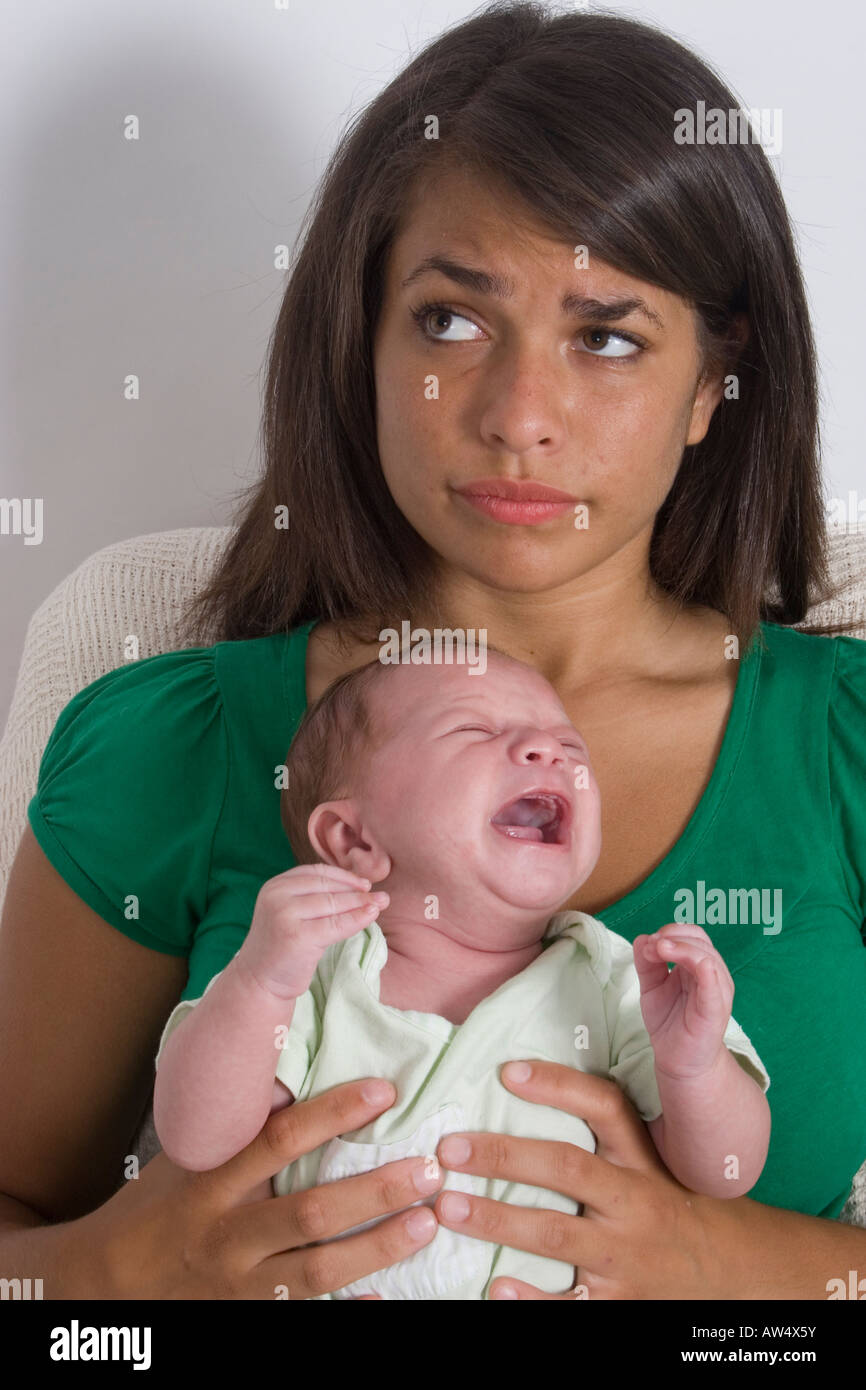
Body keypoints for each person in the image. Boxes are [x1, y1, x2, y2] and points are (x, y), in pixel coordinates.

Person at [1, 3, 864, 1301]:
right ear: (363, 339)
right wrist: (116, 1282)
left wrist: (739, 1267)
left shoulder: (838, 748)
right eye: (451, 323)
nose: (519, 416)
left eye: (607, 336)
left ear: (711, 379)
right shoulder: (171, 743)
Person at [152, 651, 771, 1298]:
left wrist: (692, 1067)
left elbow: (726, 1171)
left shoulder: (612, 978)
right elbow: (198, 1141)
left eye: (569, 744)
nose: (547, 750)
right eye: (474, 731)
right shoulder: (313, 973)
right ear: (353, 841)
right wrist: (259, 984)